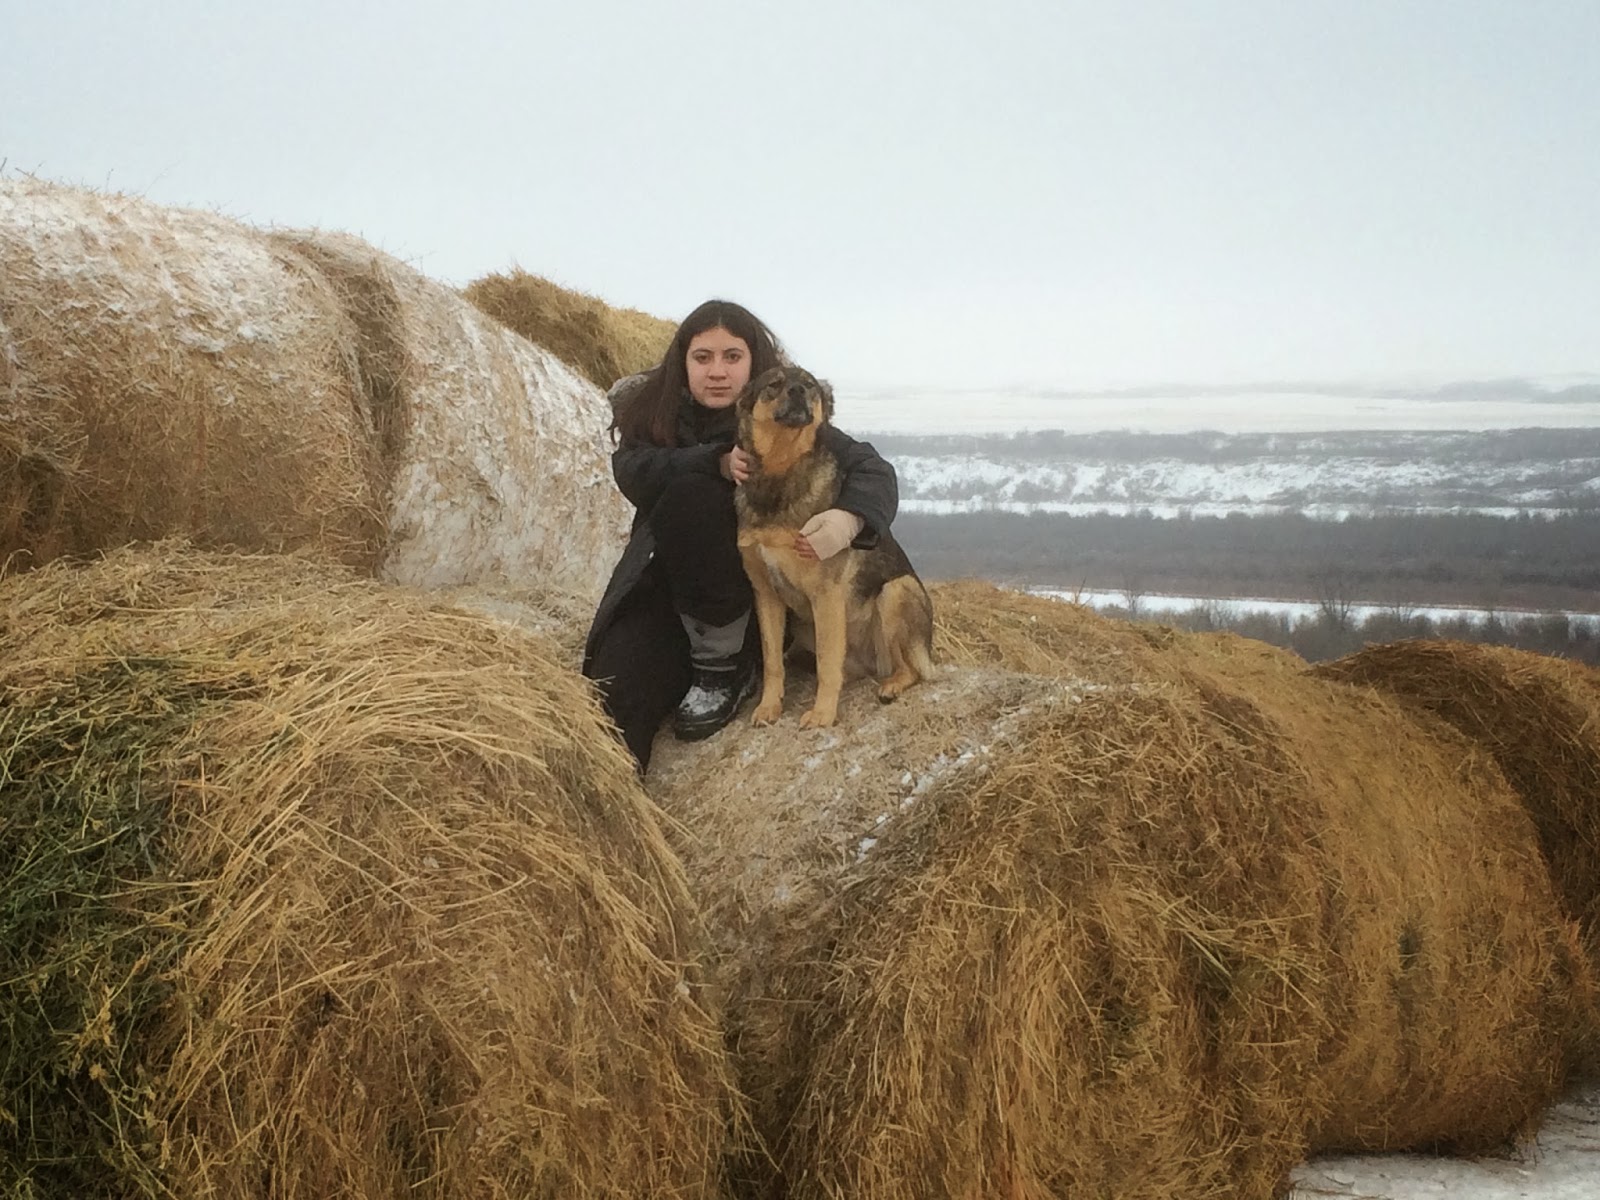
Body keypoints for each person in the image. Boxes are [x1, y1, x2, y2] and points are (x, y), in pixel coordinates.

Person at [582, 299, 899, 771]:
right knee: (615, 694)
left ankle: (723, 671)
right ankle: (619, 825)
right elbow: (633, 470)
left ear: (754, 363)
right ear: (681, 362)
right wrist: (714, 462)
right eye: (702, 357)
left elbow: (872, 468)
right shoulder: (656, 415)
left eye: (732, 357)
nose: (717, 372)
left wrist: (851, 518)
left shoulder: (784, 409)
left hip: (744, 609)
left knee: (697, 498)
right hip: (665, 586)